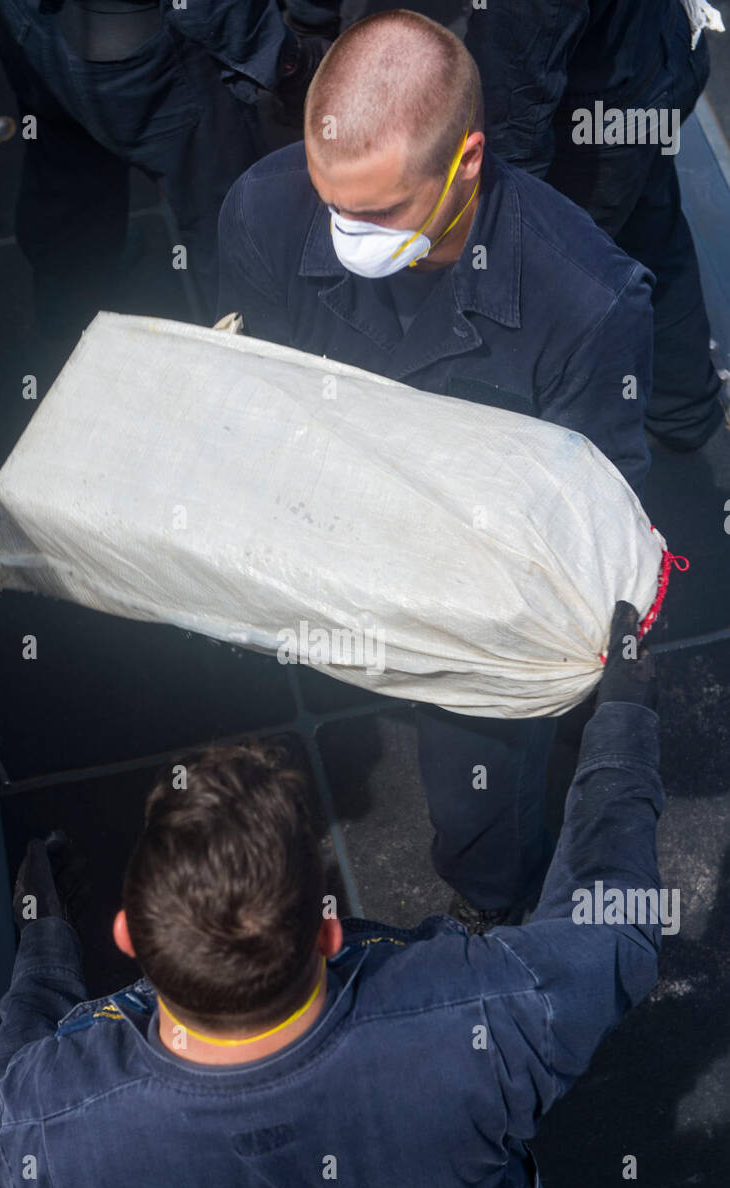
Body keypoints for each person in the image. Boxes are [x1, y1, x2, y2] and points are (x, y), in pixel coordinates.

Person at [0, 602, 665, 1188]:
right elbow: (608, 931)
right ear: (329, 934)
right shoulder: (478, 1019)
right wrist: (623, 723)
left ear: (124, 938)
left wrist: (47, 943)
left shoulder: (42, 1130)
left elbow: (0, 1095)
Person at [216, 9, 655, 926]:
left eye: (377, 212)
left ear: (465, 164)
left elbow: (589, 518)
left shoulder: (586, 304)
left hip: (482, 586)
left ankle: (498, 911)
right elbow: (269, 388)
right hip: (333, 524)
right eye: (329, 198)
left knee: (475, 805)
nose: (343, 230)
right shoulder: (263, 208)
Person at [466, 0, 726, 453]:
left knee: (570, 285)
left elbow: (514, 121)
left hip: (599, 121)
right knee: (652, 228)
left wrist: (504, 234)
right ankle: (685, 411)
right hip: (653, 61)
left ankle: (576, 457)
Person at [0, 0, 338, 334]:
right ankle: (242, 345)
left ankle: (69, 298)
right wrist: (288, 59)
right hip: (145, 51)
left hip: (29, 22)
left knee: (65, 163)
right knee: (224, 211)